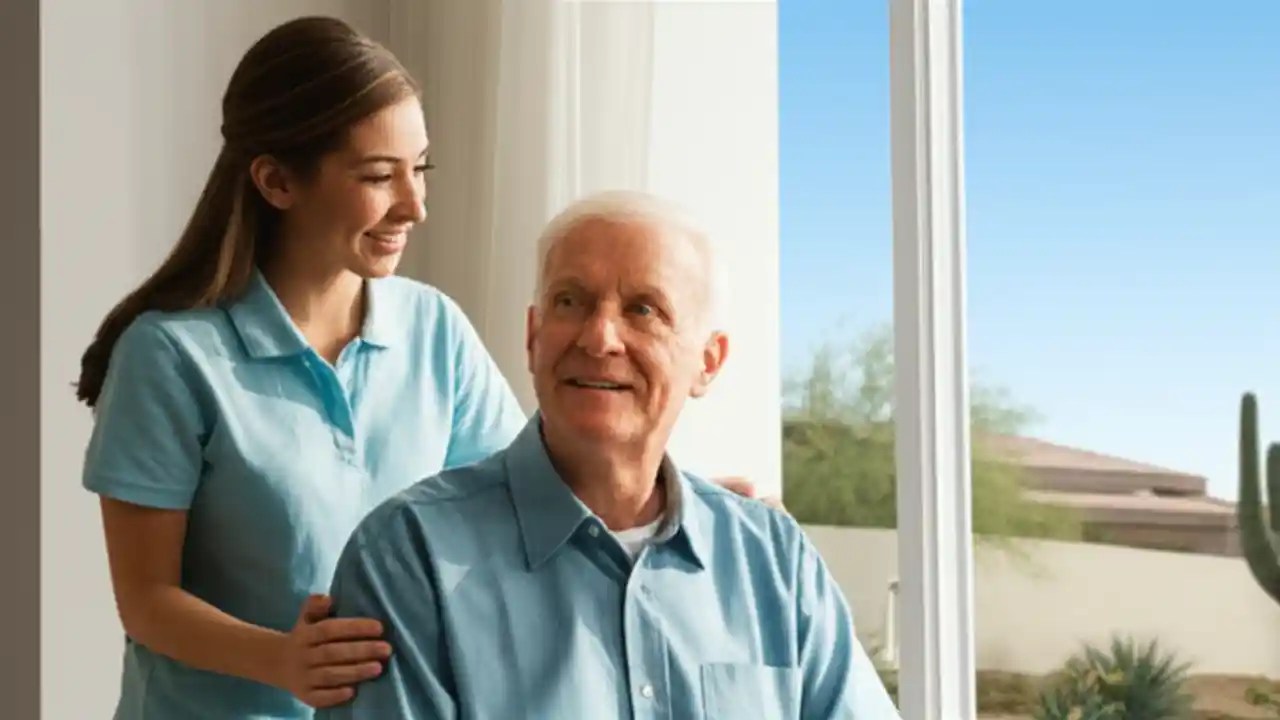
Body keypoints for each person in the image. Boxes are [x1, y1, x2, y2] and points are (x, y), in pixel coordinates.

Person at [76, 16, 765, 720]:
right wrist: (282, 659)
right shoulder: (170, 357)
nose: (415, 205)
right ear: (277, 181)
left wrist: (662, 500)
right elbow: (147, 602)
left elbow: (531, 491)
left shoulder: (433, 329)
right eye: (380, 176)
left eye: (420, 169)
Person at [317, 190, 901, 719]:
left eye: (644, 309)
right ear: (533, 336)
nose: (599, 338)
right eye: (570, 301)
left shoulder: (774, 561)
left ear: (709, 362)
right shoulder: (407, 557)